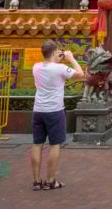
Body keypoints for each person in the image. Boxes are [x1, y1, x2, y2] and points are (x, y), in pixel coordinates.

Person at [30, 40, 85, 191]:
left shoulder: (36, 67)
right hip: (54, 110)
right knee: (55, 144)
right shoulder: (60, 68)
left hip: (38, 110)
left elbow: (49, 67)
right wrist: (71, 58)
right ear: (54, 52)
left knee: (37, 144)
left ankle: (36, 181)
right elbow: (80, 74)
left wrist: (57, 59)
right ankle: (50, 180)